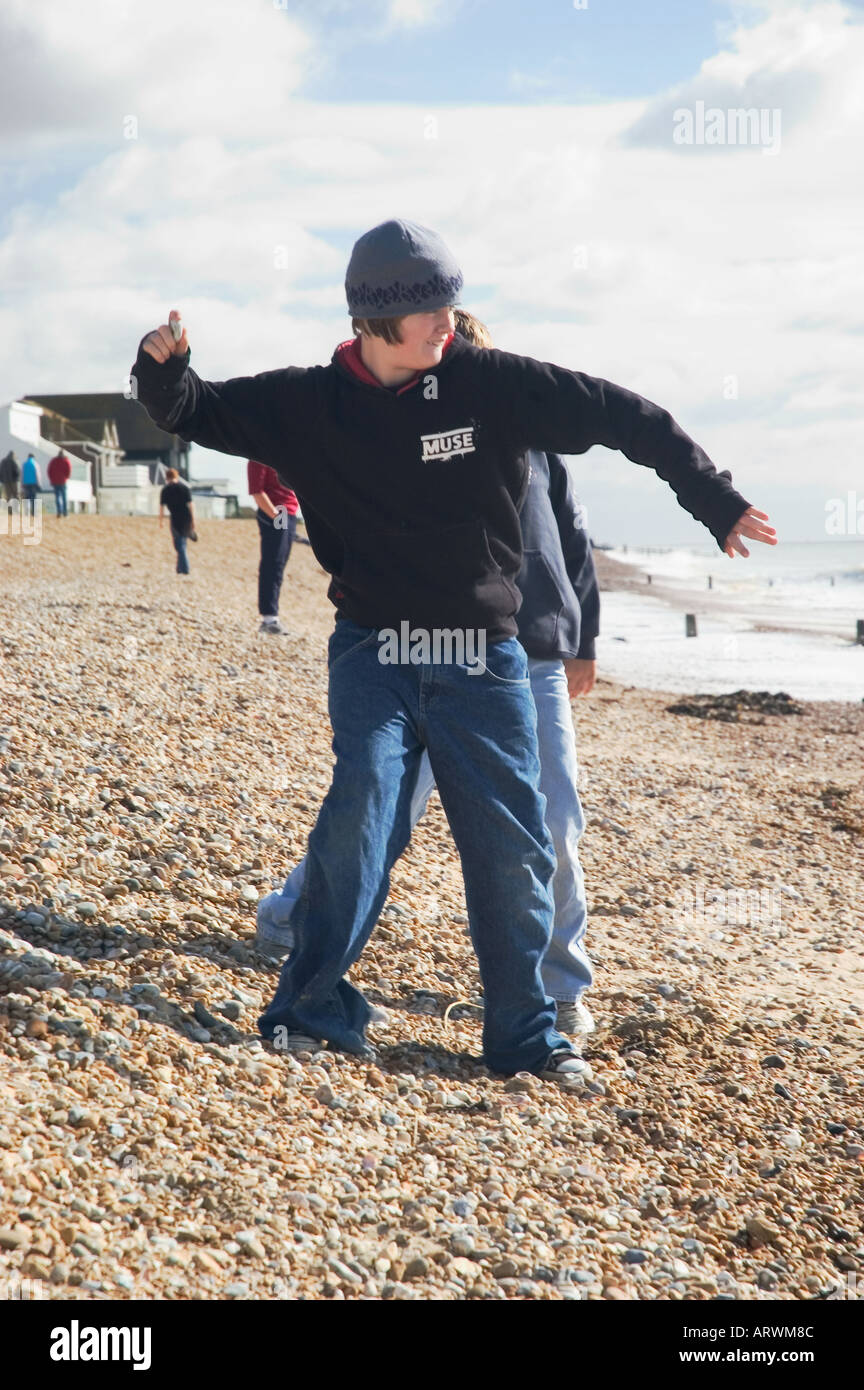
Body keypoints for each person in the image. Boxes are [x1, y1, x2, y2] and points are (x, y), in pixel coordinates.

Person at [131, 218, 775, 1082]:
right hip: (375, 650)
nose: (449, 320)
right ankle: (311, 1007)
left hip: (486, 659)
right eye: (432, 306)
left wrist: (713, 498)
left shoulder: (492, 385)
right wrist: (162, 369)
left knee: (514, 844)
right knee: (363, 809)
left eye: (451, 301)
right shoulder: (308, 404)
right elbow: (198, 411)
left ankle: (524, 1035)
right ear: (374, 317)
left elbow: (627, 415)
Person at [256, 309, 600, 1037]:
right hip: (428, 648)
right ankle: (293, 915)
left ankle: (559, 984)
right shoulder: (416, 441)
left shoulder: (534, 439)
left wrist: (583, 639)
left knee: (554, 821)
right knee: (376, 808)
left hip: (529, 655)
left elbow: (574, 543)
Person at [247, 458, 299, 634]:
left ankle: (272, 616)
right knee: (273, 563)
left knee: (279, 563)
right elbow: (257, 491)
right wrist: (277, 517)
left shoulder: (280, 451)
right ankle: (269, 618)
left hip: (290, 513)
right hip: (278, 512)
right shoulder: (258, 457)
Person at [158, 467, 196, 575]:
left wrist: (161, 521)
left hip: (174, 518)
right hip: (186, 517)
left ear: (167, 478)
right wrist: (193, 520)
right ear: (176, 476)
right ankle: (179, 568)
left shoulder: (165, 489)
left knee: (179, 543)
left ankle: (185, 569)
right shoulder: (184, 488)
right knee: (182, 542)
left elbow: (161, 507)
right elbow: (191, 505)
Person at [47, 449, 72, 518]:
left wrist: (52, 479)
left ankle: (59, 512)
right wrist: (66, 477)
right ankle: (65, 513)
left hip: (55, 481)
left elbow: (49, 471)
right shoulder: (66, 461)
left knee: (57, 497)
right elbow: (69, 470)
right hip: (63, 481)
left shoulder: (53, 461)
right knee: (64, 497)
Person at [21, 452, 41, 518]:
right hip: (33, 483)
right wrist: (39, 483)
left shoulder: (24, 464)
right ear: (33, 457)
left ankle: (26, 512)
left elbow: (22, 475)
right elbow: (38, 475)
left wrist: (22, 484)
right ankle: (33, 513)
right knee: (33, 498)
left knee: (26, 498)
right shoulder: (35, 464)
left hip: (25, 483)